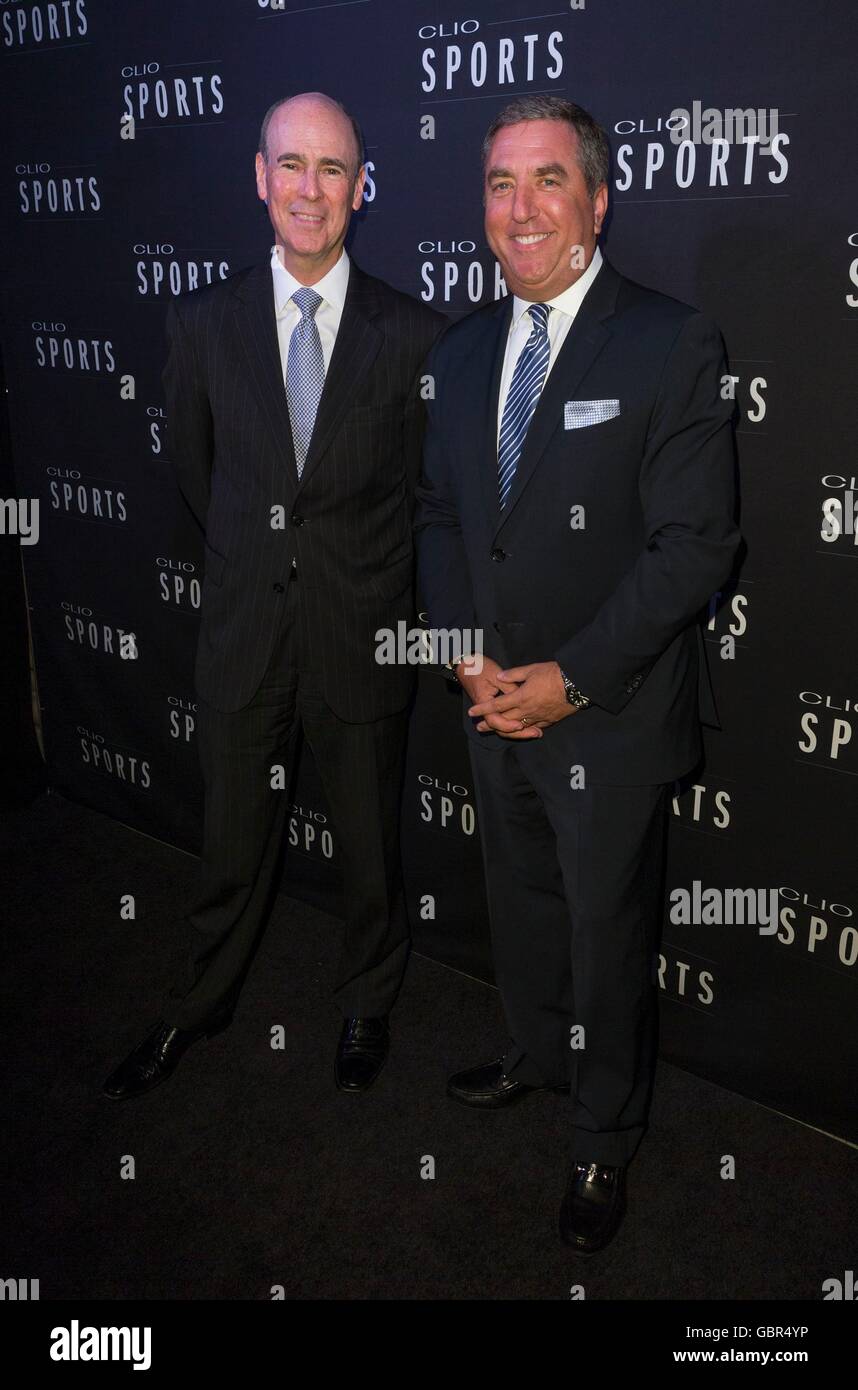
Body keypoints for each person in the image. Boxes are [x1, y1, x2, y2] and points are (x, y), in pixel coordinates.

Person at [414, 95, 740, 1252]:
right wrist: (464, 652)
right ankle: (539, 1056)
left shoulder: (669, 340)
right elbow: (445, 516)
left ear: (598, 200)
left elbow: (696, 543)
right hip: (489, 704)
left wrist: (571, 678)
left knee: (609, 933)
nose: (523, 208)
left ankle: (603, 1138)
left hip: (605, 713)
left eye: (549, 180)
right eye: (502, 184)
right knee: (525, 907)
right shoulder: (456, 353)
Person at [104, 91, 444, 1102]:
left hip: (360, 633)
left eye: (332, 169)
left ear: (359, 188)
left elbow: (428, 494)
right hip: (248, 633)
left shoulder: (413, 332)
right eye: (290, 165)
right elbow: (198, 476)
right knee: (231, 847)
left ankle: (367, 1004)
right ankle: (197, 1004)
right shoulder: (201, 322)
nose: (310, 188)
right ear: (260, 179)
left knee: (373, 853)